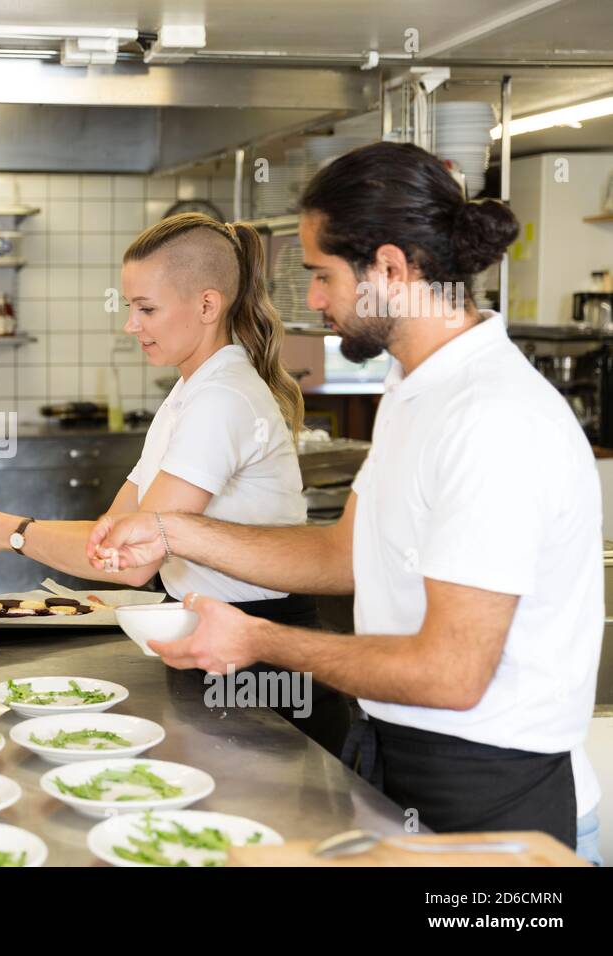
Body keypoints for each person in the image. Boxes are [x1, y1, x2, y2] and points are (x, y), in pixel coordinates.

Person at [88, 142, 602, 862]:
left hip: (491, 787)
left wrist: (258, 639)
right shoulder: (414, 389)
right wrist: (174, 530)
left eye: (322, 276)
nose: (315, 300)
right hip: (400, 753)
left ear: (391, 269)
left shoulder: (492, 418)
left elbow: (451, 674)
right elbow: (343, 554)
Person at [0, 211, 350, 754]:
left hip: (259, 659)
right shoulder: (187, 394)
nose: (131, 324)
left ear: (207, 305)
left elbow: (132, 560)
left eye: (146, 308)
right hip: (204, 638)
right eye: (131, 306)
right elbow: (114, 532)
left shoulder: (222, 398)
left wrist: (6, 531)